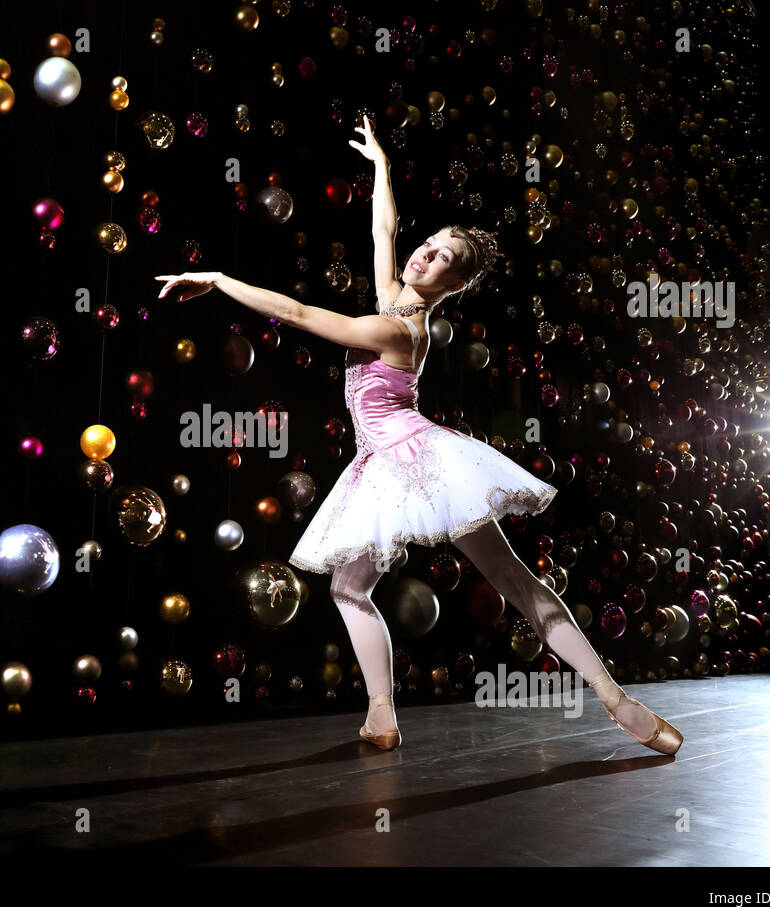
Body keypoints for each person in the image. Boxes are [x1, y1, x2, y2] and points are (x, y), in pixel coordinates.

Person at [155, 115, 682, 756]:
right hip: (384, 459)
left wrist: (217, 280)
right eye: (427, 245)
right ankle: (382, 716)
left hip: (416, 458)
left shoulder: (399, 330)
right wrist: (380, 167)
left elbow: (298, 313)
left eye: (441, 260)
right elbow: (385, 228)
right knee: (351, 587)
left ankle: (616, 700)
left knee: (511, 582)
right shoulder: (393, 300)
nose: (422, 256)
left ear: (453, 285)